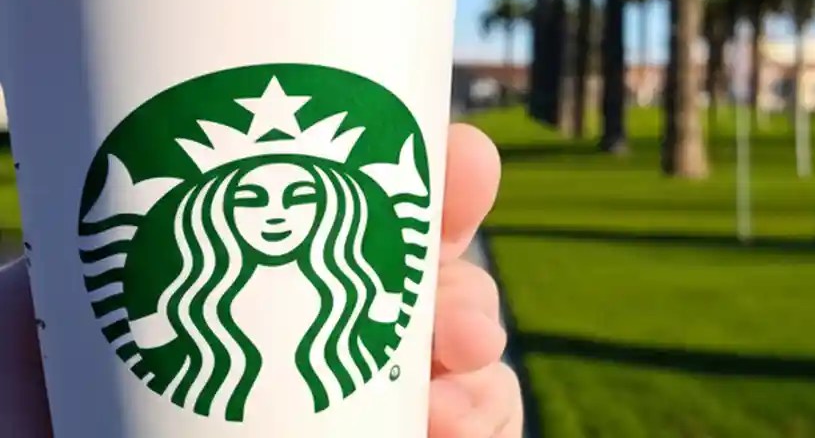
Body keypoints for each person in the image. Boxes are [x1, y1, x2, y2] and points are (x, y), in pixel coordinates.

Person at [0, 124, 522, 438]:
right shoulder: (178, 308)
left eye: (299, 197)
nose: (276, 215)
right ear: (216, 211)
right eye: (251, 199)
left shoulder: (360, 297)